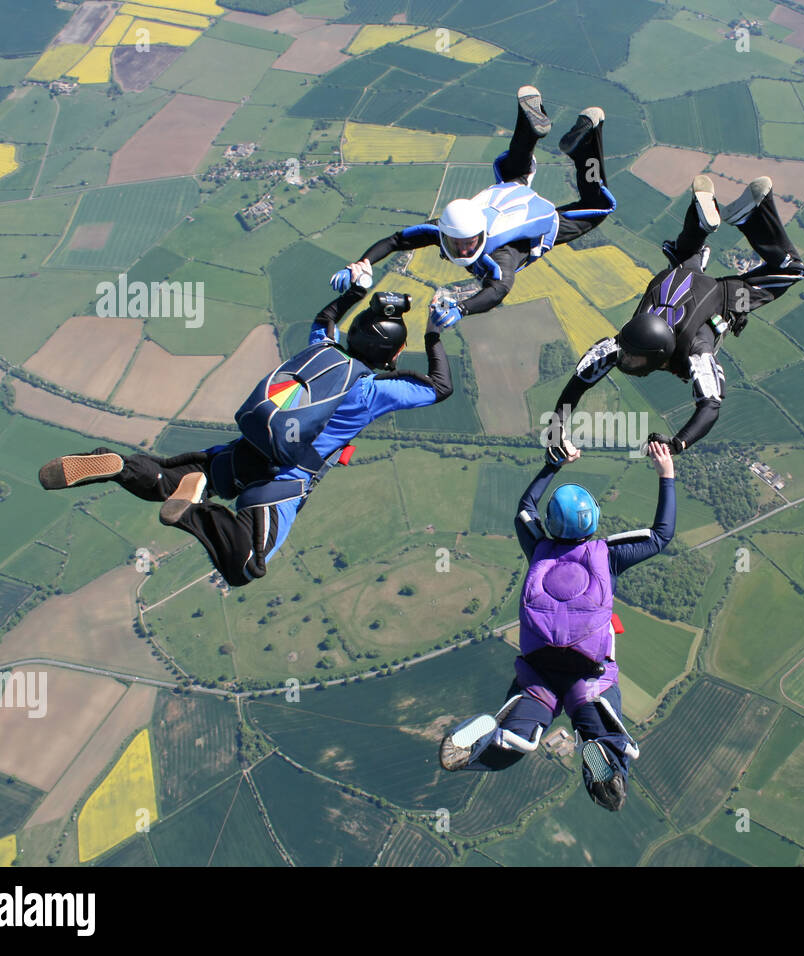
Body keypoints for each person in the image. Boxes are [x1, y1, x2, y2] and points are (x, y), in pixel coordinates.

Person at [37, 286, 453, 586]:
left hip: (243, 452)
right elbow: (439, 387)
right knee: (246, 566)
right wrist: (434, 332)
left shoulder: (321, 347)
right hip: (282, 481)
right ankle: (192, 512)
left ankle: (117, 465)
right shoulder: (371, 391)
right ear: (392, 355)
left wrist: (355, 291)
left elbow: (325, 319)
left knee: (165, 478)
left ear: (354, 333)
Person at [438, 442, 676, 812]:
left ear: (552, 522)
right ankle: (606, 757)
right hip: (589, 676)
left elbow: (524, 509)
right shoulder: (607, 554)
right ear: (594, 520)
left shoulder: (538, 548)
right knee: (604, 737)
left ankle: (501, 736)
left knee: (519, 737)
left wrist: (553, 466)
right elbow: (661, 534)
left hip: (537, 674)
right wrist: (666, 474)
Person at [545, 175, 804, 463]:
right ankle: (699, 221)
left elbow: (710, 406)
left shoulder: (697, 349)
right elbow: (581, 379)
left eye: (634, 360)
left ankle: (754, 216)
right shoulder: (627, 342)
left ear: (659, 353)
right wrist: (556, 429)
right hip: (679, 278)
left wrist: (677, 444)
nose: (627, 362)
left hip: (724, 297)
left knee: (791, 269)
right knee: (685, 254)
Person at [329, 86, 615, 331]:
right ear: (445, 235)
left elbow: (497, 291)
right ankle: (530, 129)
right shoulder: (442, 228)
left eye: (470, 245)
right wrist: (360, 264)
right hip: (507, 197)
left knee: (598, 206)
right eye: (458, 245)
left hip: (541, 224)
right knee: (514, 172)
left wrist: (462, 309)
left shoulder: (500, 255)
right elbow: (396, 241)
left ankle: (584, 145)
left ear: (480, 235)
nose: (465, 252)